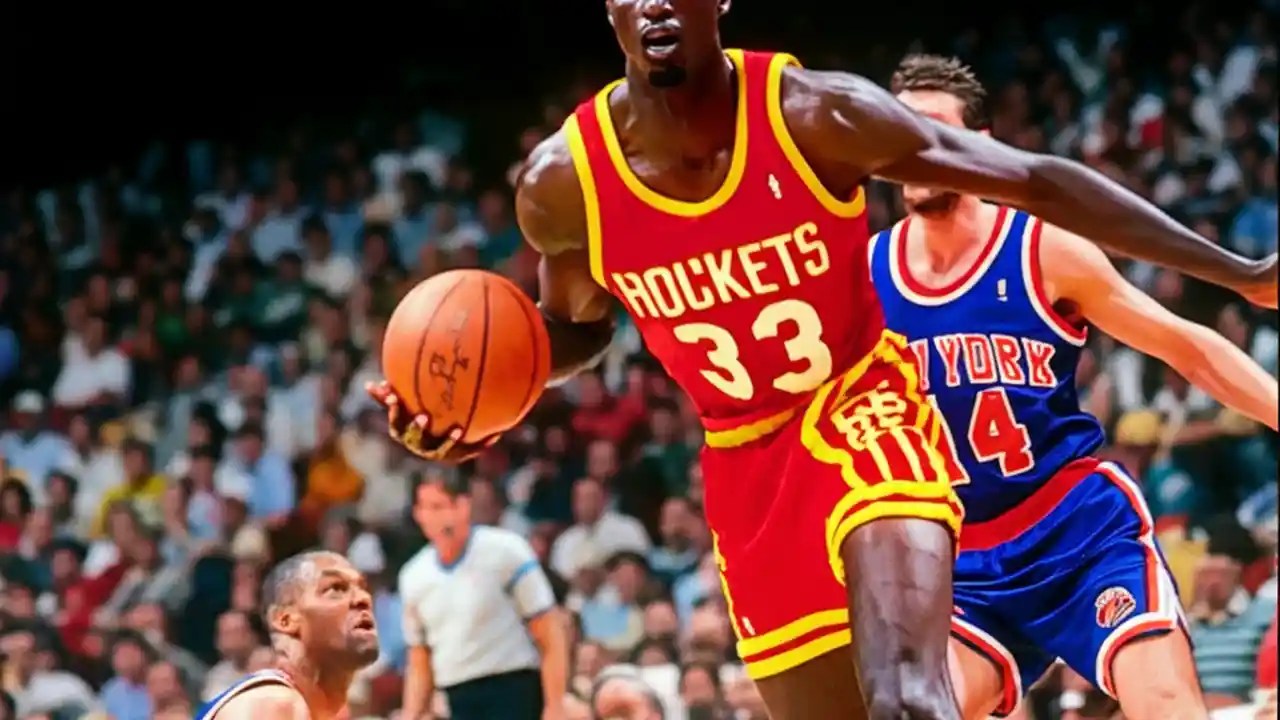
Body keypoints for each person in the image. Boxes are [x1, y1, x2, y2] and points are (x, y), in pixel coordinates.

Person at [369, 1, 1277, 717]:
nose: (653, 3)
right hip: (747, 465)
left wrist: (1234, 273)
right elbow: (576, 327)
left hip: (868, 415)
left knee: (911, 701)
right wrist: (483, 403)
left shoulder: (814, 115)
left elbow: (1038, 178)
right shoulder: (564, 185)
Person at [869, 54, 1280, 720]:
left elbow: (1186, 348)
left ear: (981, 148)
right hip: (961, 559)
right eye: (899, 134)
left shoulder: (1042, 252)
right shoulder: (866, 277)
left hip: (1076, 531)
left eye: (937, 132)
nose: (917, 152)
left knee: (1168, 706)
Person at [399, 471, 569, 720]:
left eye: (439, 507)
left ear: (463, 506)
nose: (432, 517)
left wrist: (555, 706)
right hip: (456, 696)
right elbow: (419, 659)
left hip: (513, 687)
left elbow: (550, 633)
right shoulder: (413, 576)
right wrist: (411, 714)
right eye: (425, 508)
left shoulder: (506, 551)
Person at [193, 551, 380, 720]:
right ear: (285, 620)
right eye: (335, 589)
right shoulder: (273, 704)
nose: (363, 598)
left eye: (363, 588)